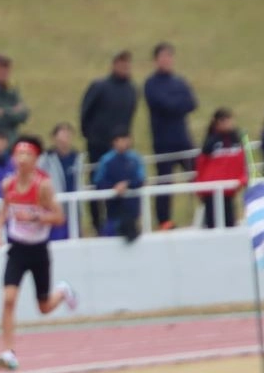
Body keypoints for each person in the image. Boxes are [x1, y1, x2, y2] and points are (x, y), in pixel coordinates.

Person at [0, 135, 76, 370]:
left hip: (38, 250)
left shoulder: (43, 187)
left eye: (28, 154)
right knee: (8, 300)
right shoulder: (8, 184)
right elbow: (5, 207)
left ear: (36, 159)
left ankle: (63, 291)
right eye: (18, 154)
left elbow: (60, 217)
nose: (22, 159)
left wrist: (35, 216)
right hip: (17, 249)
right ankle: (8, 352)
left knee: (44, 307)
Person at [79, 51, 138, 231]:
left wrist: (125, 140)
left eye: (127, 65)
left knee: (123, 184)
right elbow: (85, 112)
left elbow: (129, 116)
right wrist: (91, 136)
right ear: (114, 65)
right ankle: (98, 223)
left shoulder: (131, 90)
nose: (124, 68)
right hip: (98, 145)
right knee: (98, 184)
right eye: (121, 64)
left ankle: (123, 222)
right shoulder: (100, 86)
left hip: (121, 148)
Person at [143, 42, 199, 230]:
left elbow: (192, 102)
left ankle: (205, 213)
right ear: (156, 60)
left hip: (183, 138)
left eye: (169, 56)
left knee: (197, 174)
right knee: (164, 181)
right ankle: (164, 221)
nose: (166, 60)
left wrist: (175, 105)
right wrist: (177, 104)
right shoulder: (151, 84)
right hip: (163, 141)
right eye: (162, 57)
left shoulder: (179, 81)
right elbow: (163, 104)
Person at [195, 108, 247, 228]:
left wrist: (241, 179)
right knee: (212, 223)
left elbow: (240, 162)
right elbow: (202, 164)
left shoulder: (235, 140)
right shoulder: (211, 142)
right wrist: (200, 187)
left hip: (229, 190)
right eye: (225, 121)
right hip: (211, 190)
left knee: (230, 222)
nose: (229, 124)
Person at [93, 131, 145, 240]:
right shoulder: (106, 160)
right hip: (113, 212)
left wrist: (127, 184)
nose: (123, 143)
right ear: (114, 142)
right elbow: (99, 182)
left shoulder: (135, 159)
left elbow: (141, 179)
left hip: (132, 212)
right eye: (120, 140)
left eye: (126, 139)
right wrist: (114, 188)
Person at [37, 122, 80, 240]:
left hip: (73, 209)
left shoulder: (76, 157)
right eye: (62, 134)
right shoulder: (46, 159)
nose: (65, 138)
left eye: (67, 134)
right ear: (54, 138)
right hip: (54, 209)